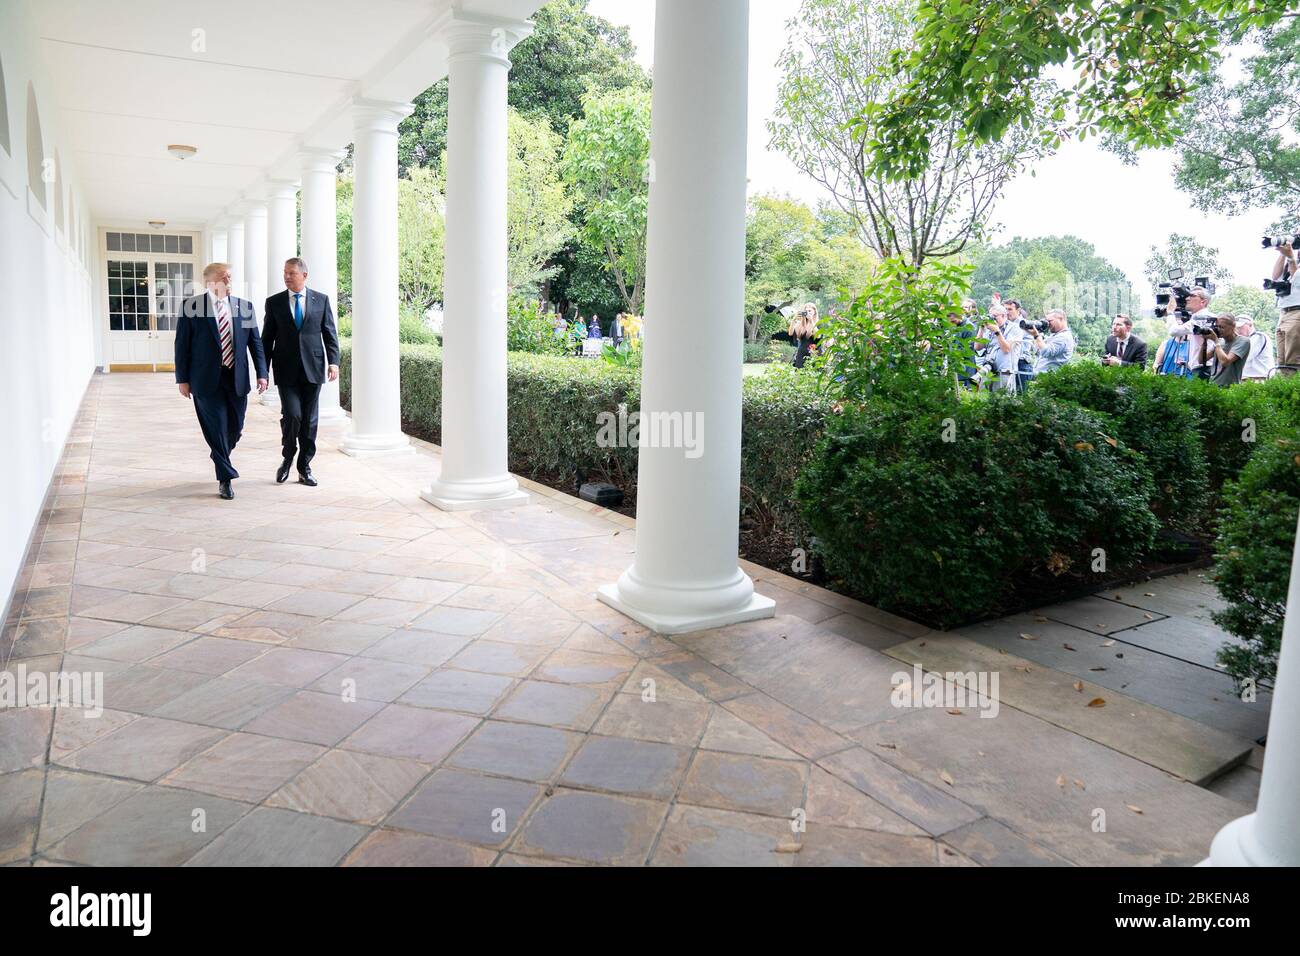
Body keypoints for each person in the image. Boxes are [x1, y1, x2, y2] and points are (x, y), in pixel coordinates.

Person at [175, 263, 267, 500]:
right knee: (216, 427)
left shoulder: (244, 307)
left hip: (236, 378)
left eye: (229, 277)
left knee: (235, 428)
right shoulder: (192, 307)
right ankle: (225, 479)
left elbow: (255, 343)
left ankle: (220, 453)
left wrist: (262, 373)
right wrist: (182, 379)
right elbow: (182, 346)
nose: (228, 281)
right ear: (209, 282)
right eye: (223, 277)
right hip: (205, 380)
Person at [262, 257, 341, 487]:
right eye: (285, 273)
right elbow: (267, 339)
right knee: (293, 415)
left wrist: (333, 362)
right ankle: (287, 457)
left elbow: (330, 334)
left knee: (309, 421)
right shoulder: (274, 302)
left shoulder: (321, 300)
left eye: (291, 273)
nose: (286, 277)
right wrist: (263, 372)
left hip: (313, 369)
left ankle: (304, 467)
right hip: (285, 369)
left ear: (304, 275)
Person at [1162, 286, 1215, 379]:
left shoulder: (1202, 317)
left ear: (1203, 302)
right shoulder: (1198, 316)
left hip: (1203, 368)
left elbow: (1174, 331)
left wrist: (1170, 312)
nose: (1187, 298)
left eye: (1192, 296)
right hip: (1201, 367)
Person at [1271, 241, 1300, 375]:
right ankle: (1283, 391)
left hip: (1297, 311)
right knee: (1281, 361)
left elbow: (1296, 281)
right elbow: (1275, 276)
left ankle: (1294, 391)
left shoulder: (1293, 259)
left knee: (1292, 360)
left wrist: (1290, 258)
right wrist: (1283, 253)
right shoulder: (1293, 257)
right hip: (1284, 312)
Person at [981, 304, 1023, 392]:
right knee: (984, 400)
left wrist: (997, 332)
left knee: (1002, 401)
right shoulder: (990, 329)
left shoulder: (1015, 328)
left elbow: (1007, 349)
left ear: (1004, 316)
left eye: (994, 316)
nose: (992, 319)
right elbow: (977, 347)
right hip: (988, 370)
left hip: (1005, 372)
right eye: (990, 316)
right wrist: (981, 328)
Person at [1204, 313, 1252, 388]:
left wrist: (1216, 341)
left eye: (1222, 327)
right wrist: (1204, 341)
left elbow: (1225, 362)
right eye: (1217, 327)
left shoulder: (1243, 341)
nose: (1219, 330)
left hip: (1229, 387)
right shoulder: (1221, 342)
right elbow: (1201, 360)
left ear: (1233, 326)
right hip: (1213, 385)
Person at [1028, 309, 1075, 376]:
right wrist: (1033, 333)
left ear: (1061, 319)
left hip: (1050, 379)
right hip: (1042, 377)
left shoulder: (1063, 337)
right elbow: (1038, 351)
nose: (1048, 324)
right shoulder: (1054, 335)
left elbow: (1046, 352)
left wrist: (1037, 336)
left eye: (1050, 321)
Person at [1236, 316, 1274, 382]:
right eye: (1236, 327)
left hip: (1259, 378)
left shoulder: (1259, 337)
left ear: (1250, 325)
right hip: (1246, 379)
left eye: (1240, 327)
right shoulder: (1244, 340)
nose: (1238, 330)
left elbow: (1244, 356)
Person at [789, 303, 819, 369]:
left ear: (814, 312)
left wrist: (811, 320)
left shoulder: (818, 323)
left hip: (814, 354)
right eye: (806, 311)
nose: (807, 313)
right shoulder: (801, 324)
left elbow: (818, 336)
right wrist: (794, 320)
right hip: (801, 354)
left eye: (809, 311)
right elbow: (790, 333)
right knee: (799, 376)